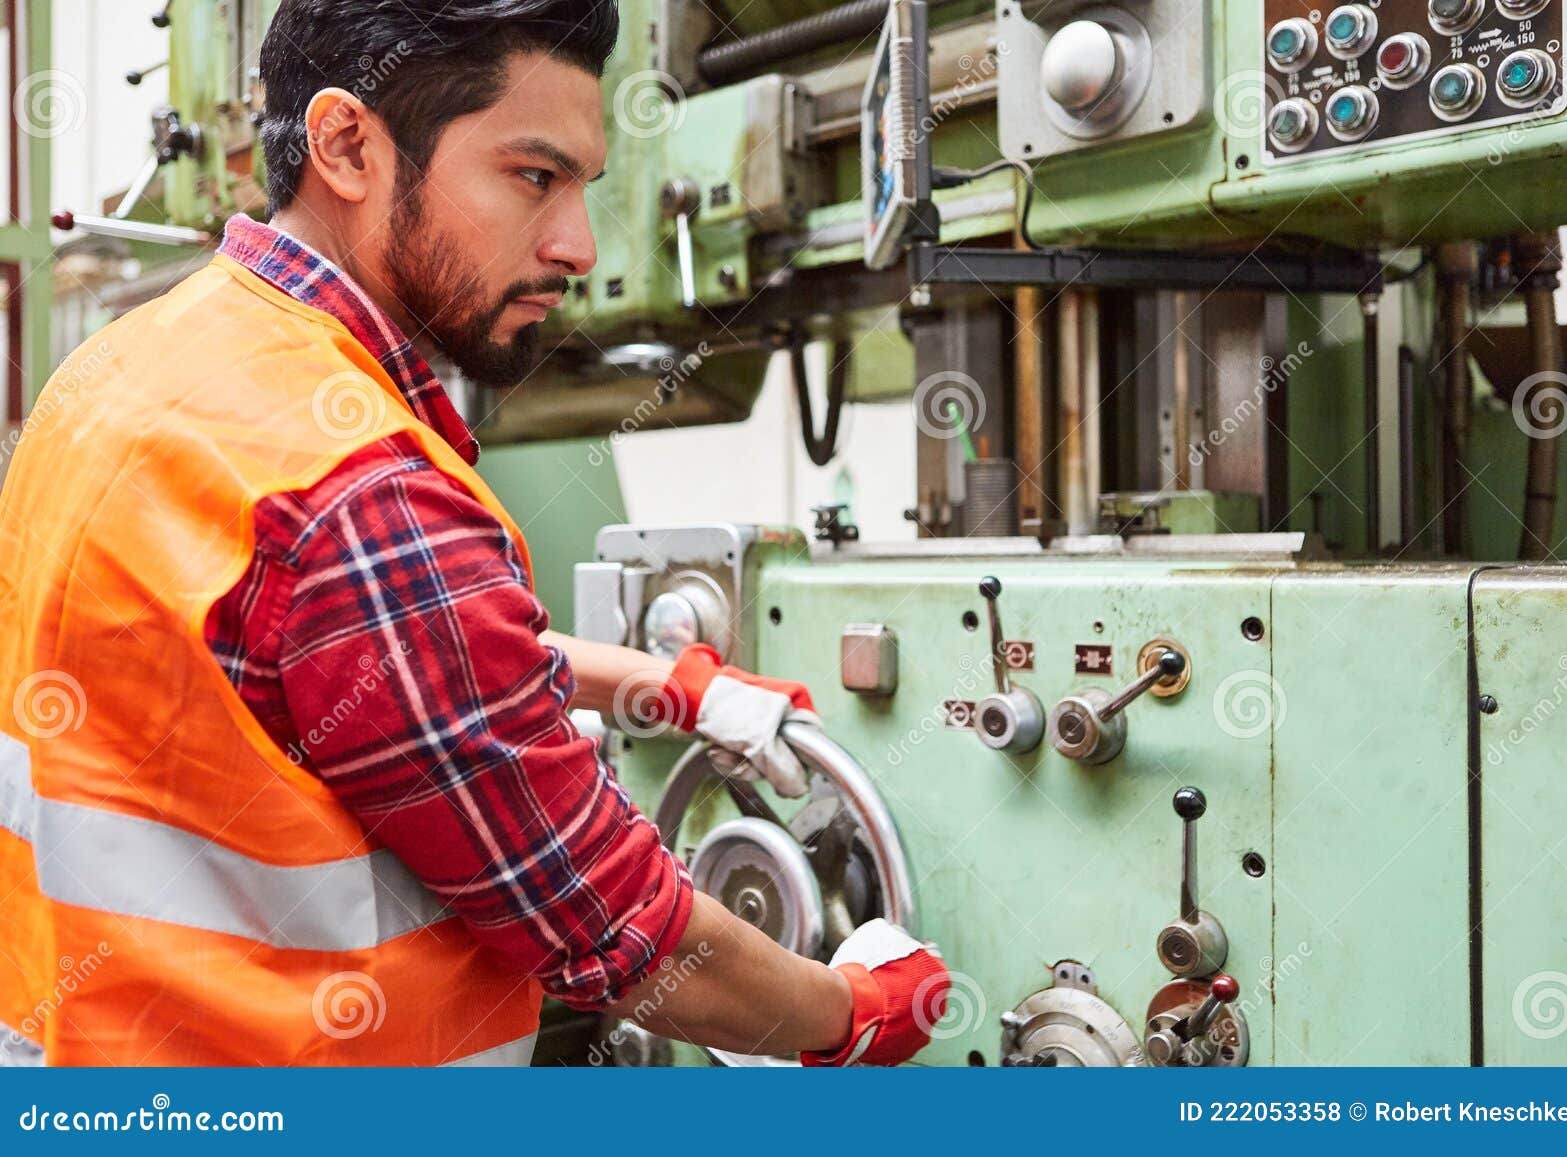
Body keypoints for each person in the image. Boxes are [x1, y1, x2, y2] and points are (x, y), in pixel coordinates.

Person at [0, 0, 947, 1067]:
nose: (577, 245)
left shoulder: (127, 368)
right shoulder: (358, 489)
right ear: (348, 145)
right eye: (533, 177)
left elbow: (317, 658)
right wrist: (853, 1008)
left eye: (583, 185)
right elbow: (609, 922)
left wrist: (667, 682)